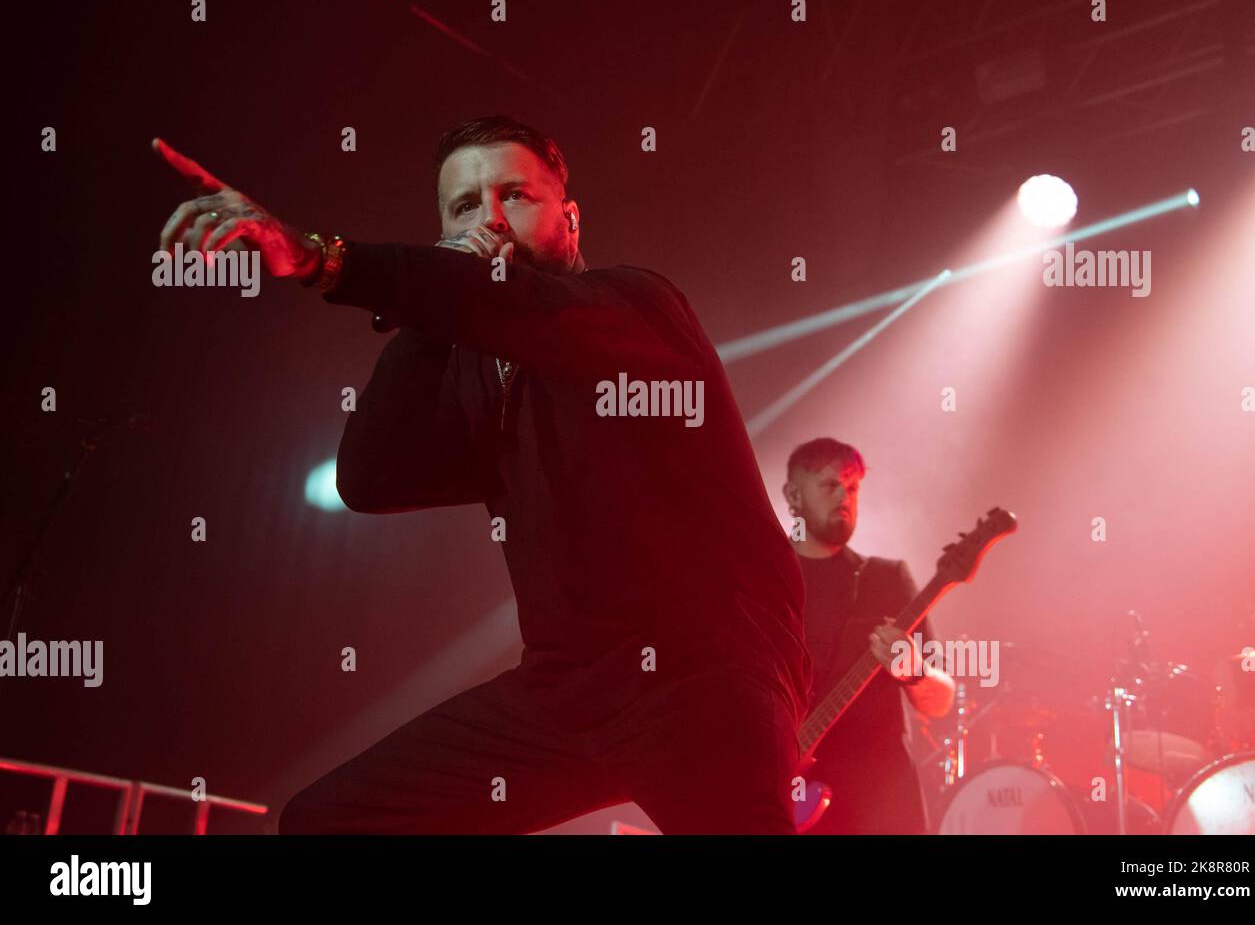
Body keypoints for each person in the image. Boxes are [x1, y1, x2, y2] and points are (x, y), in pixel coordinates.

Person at [152, 115, 813, 834]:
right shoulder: (480, 373)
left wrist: (321, 260)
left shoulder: (636, 305)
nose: (490, 219)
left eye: (515, 196)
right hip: (566, 692)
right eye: (464, 207)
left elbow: (517, 306)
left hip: (704, 672)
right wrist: (429, 318)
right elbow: (370, 478)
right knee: (328, 822)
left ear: (570, 220)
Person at [782, 437, 953, 834]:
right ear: (793, 495)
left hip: (881, 804)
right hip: (788, 803)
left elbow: (941, 701)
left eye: (853, 487)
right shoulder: (766, 584)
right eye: (829, 485)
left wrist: (914, 671)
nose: (844, 497)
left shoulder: (886, 579)